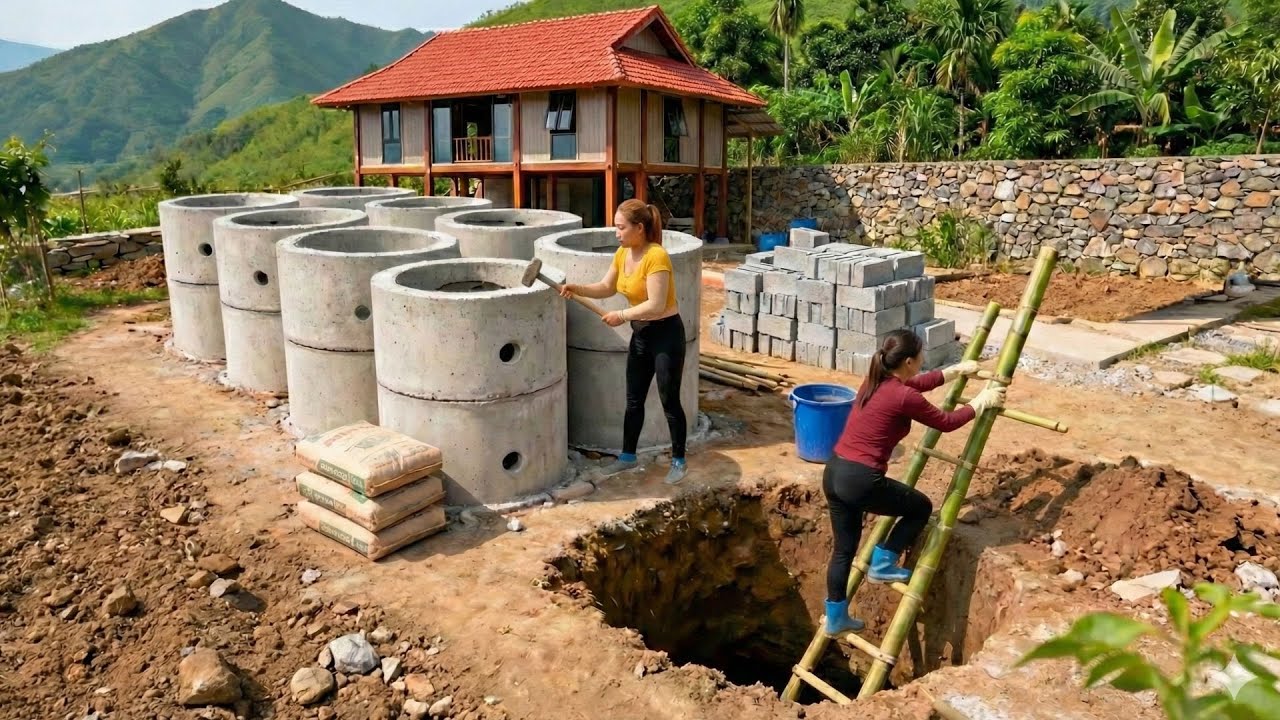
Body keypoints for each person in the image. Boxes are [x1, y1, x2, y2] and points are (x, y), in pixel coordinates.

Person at [821, 329, 1005, 636]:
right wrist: (980, 402)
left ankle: (835, 618)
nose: (922, 361)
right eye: (920, 356)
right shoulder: (902, 395)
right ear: (908, 361)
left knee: (843, 551)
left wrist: (954, 371)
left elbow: (917, 384)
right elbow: (945, 423)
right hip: (861, 479)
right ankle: (883, 563)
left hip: (835, 471)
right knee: (920, 507)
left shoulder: (875, 381)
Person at [559, 199, 688, 485]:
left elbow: (656, 304)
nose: (616, 233)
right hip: (641, 335)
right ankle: (628, 456)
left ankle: (679, 459)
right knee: (633, 400)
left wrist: (621, 314)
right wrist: (577, 288)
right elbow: (606, 287)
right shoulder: (622, 253)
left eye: (621, 227)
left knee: (669, 400)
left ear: (639, 228)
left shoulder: (657, 256)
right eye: (615, 227)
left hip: (666, 335)